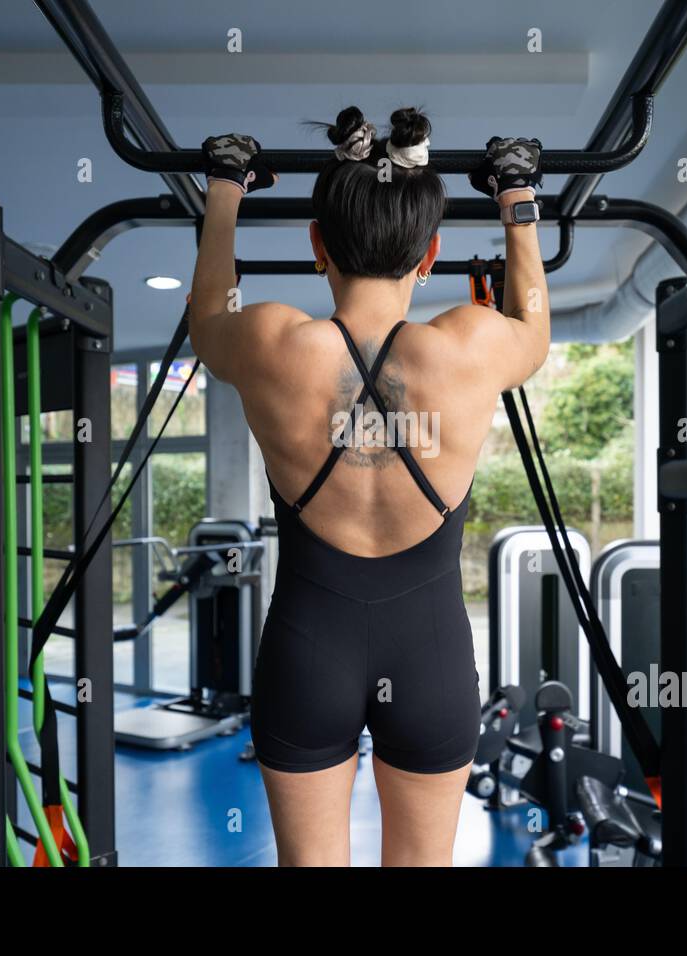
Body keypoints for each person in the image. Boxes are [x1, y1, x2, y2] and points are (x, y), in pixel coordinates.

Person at [189, 107, 547, 866]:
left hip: (306, 651)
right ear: (431, 255)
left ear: (317, 245)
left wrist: (226, 184)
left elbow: (206, 316)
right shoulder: (473, 348)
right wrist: (516, 196)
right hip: (432, 659)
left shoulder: (271, 343)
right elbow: (533, 324)